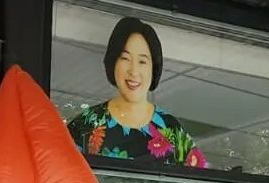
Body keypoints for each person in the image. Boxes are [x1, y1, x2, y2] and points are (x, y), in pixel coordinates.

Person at [67, 16, 205, 167]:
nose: (134, 71)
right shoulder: (87, 124)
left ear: (154, 68)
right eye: (125, 58)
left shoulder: (171, 129)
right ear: (113, 62)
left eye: (142, 61)